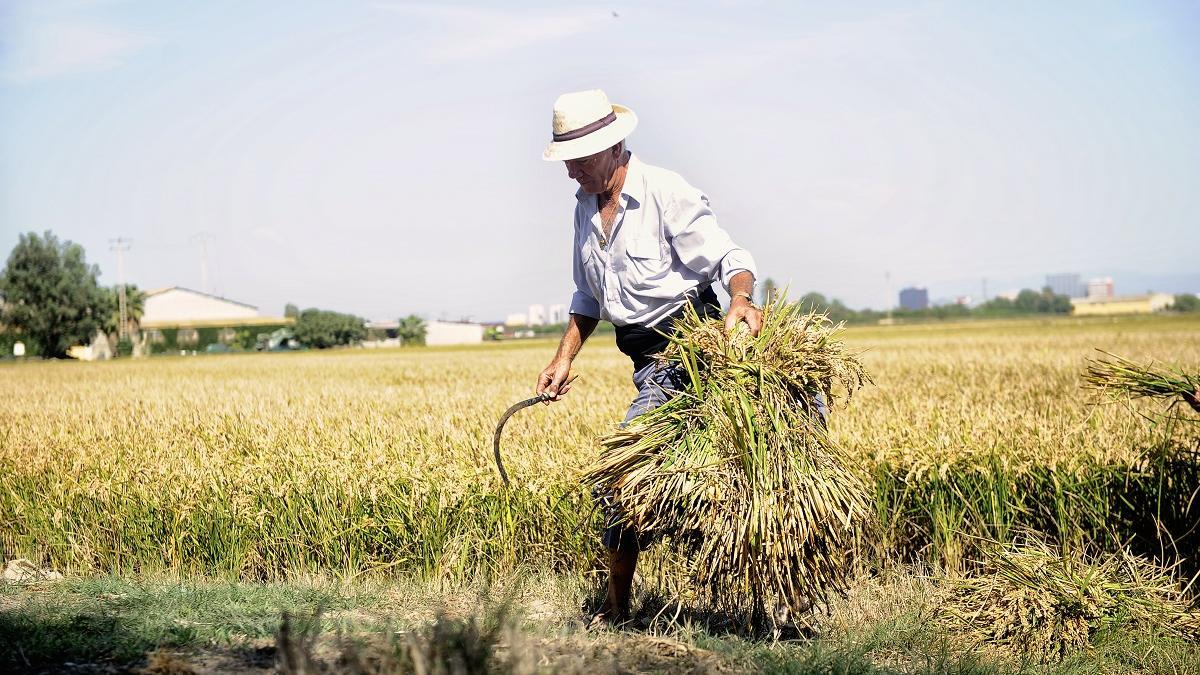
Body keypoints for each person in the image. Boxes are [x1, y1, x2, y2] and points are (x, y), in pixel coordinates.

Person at [534, 89, 763, 624]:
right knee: (632, 483)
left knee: (621, 476)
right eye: (566, 160)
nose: (571, 173)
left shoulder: (665, 192)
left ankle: (624, 613)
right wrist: (564, 357)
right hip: (647, 365)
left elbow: (729, 258)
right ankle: (619, 612)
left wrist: (742, 298)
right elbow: (588, 296)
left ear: (614, 148)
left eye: (580, 159)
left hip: (691, 352)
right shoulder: (584, 209)